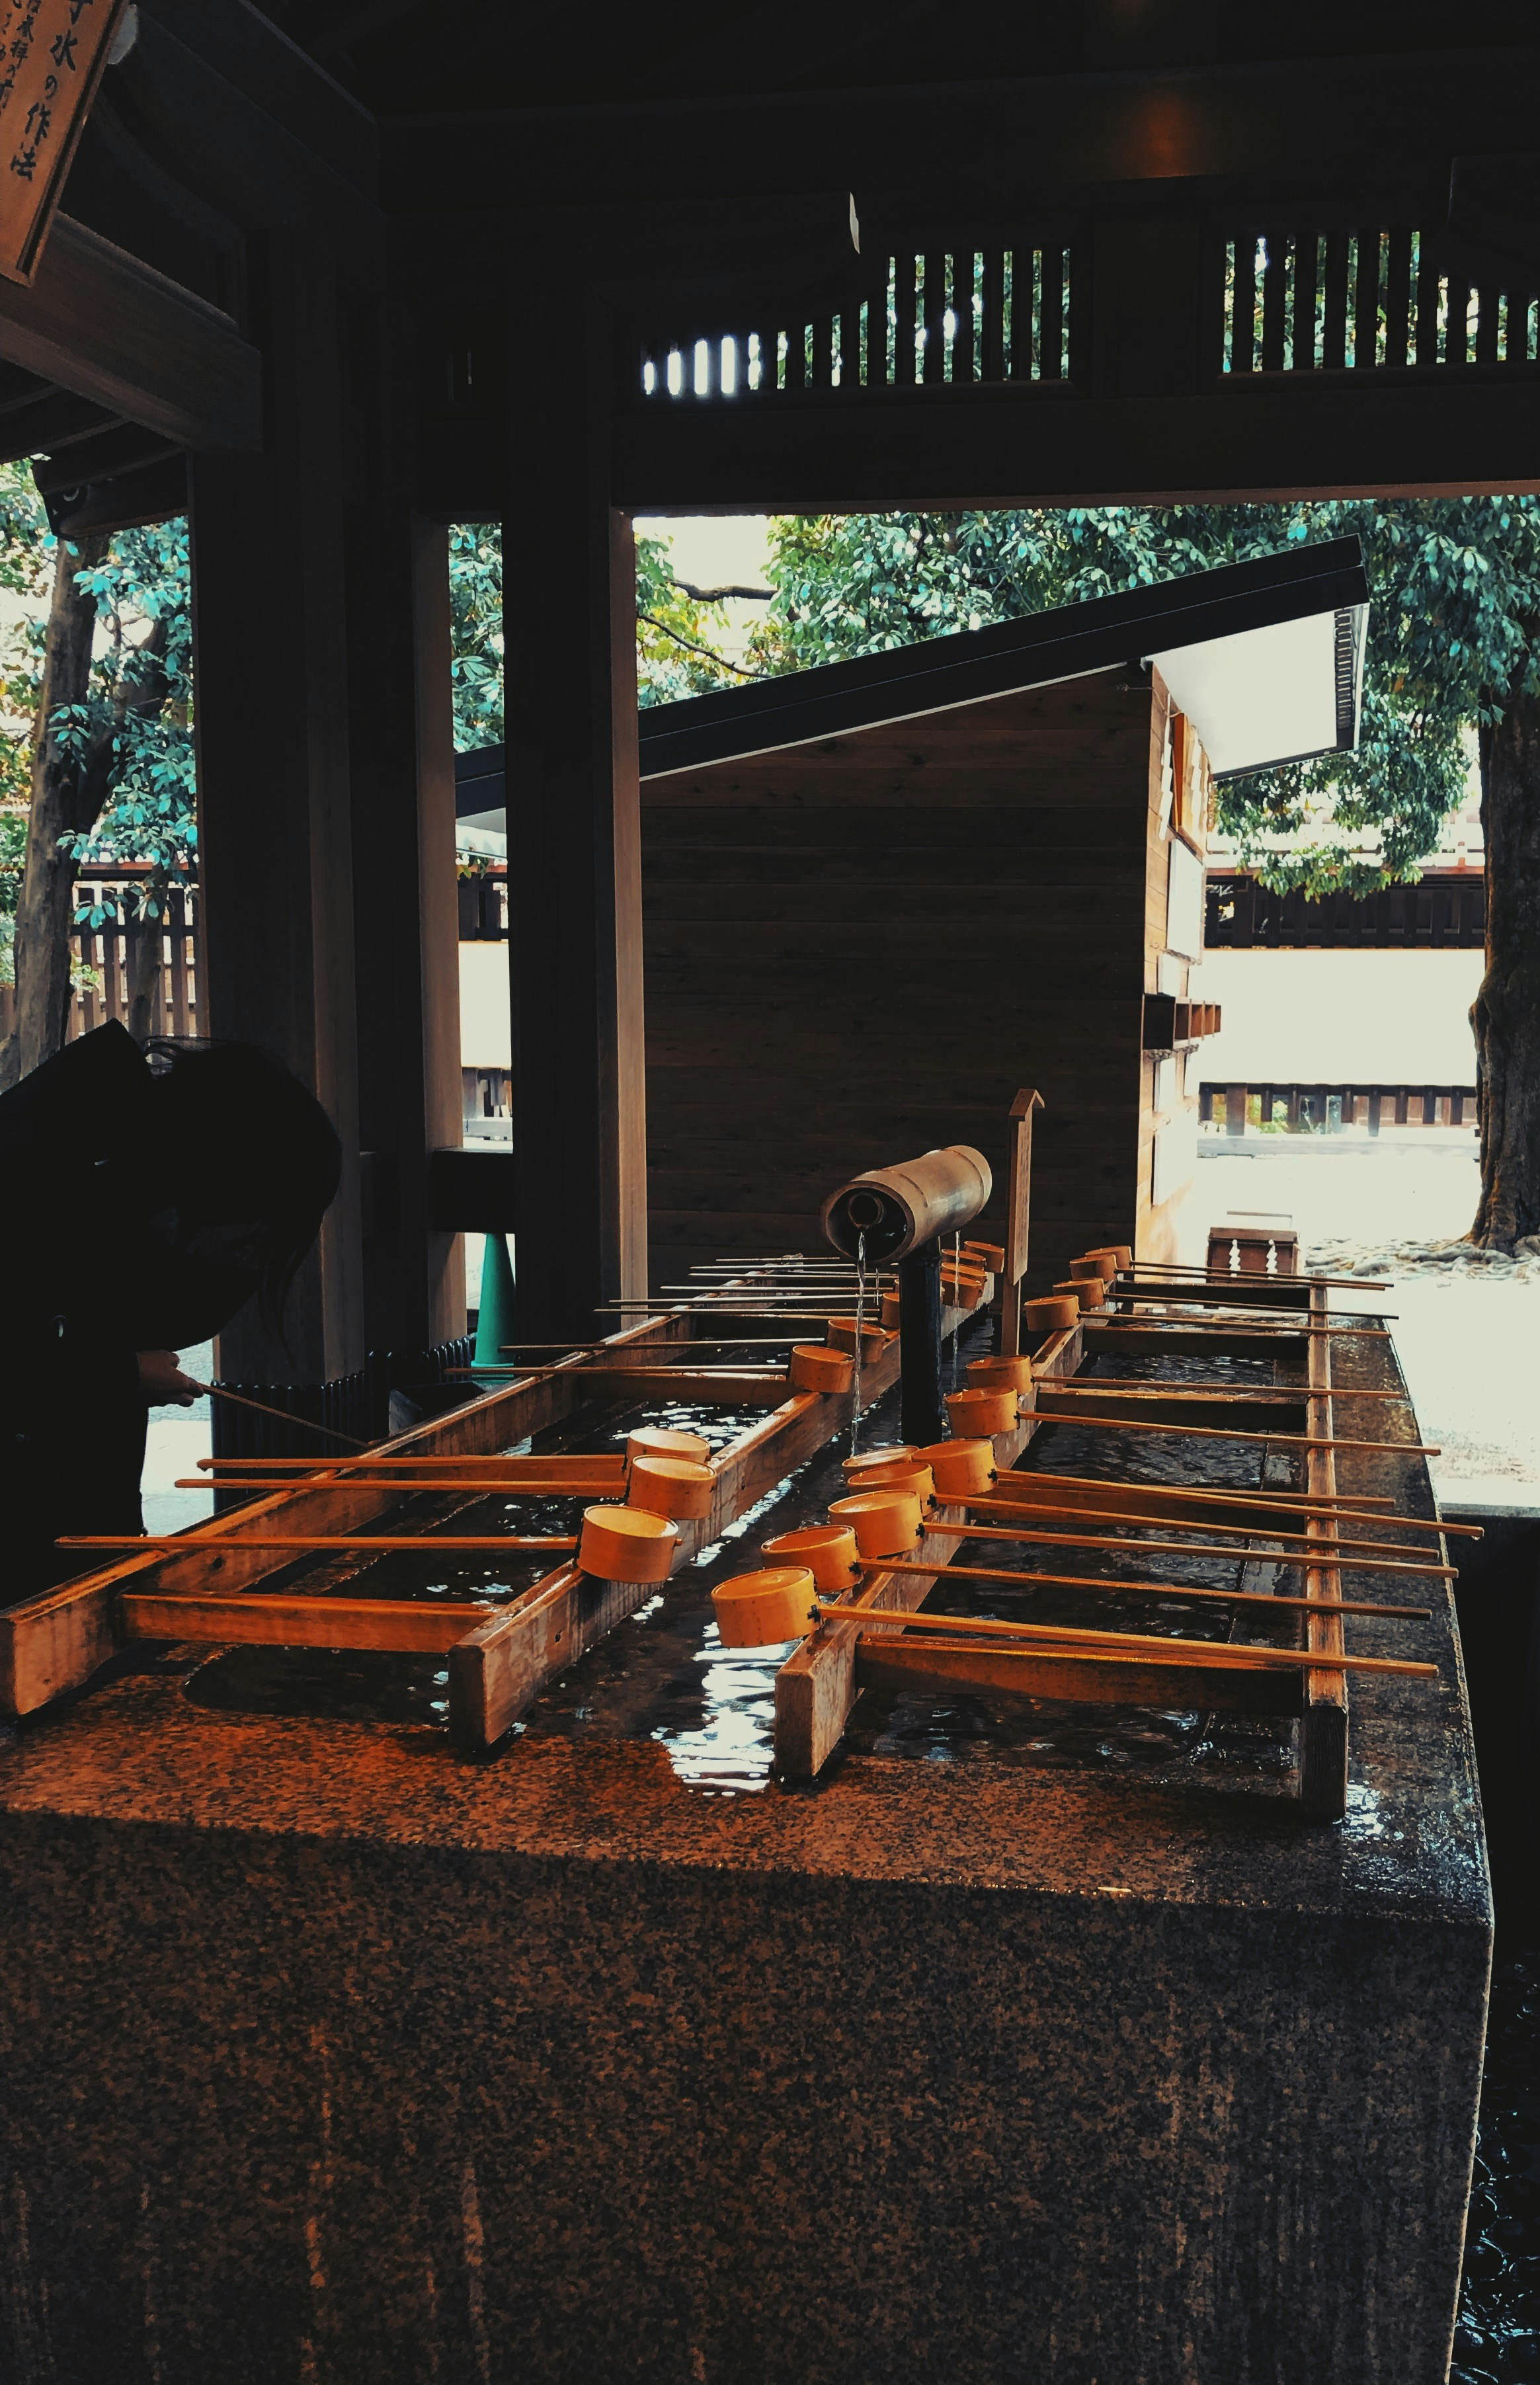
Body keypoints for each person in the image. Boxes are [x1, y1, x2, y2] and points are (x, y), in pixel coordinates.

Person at [0, 1020, 342, 1598]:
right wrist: (120, 1373)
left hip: (82, 1526)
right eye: (255, 1230)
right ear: (209, 1181)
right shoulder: (37, 1179)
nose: (255, 1252)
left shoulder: (126, 1202)